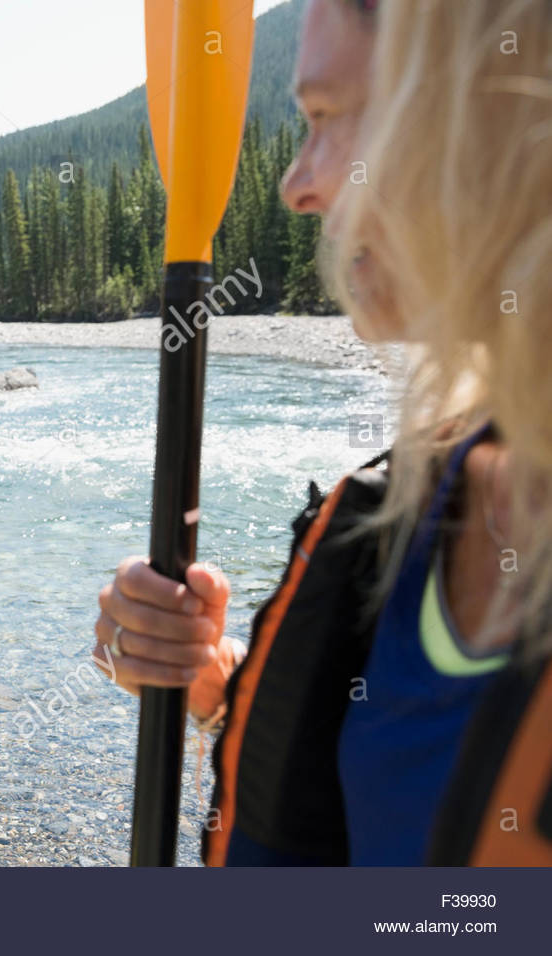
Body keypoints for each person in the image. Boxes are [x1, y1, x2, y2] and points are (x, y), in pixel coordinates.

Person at [92, 0, 552, 865]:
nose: (296, 186)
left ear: (493, 107)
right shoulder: (429, 503)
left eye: (327, 118)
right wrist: (211, 683)